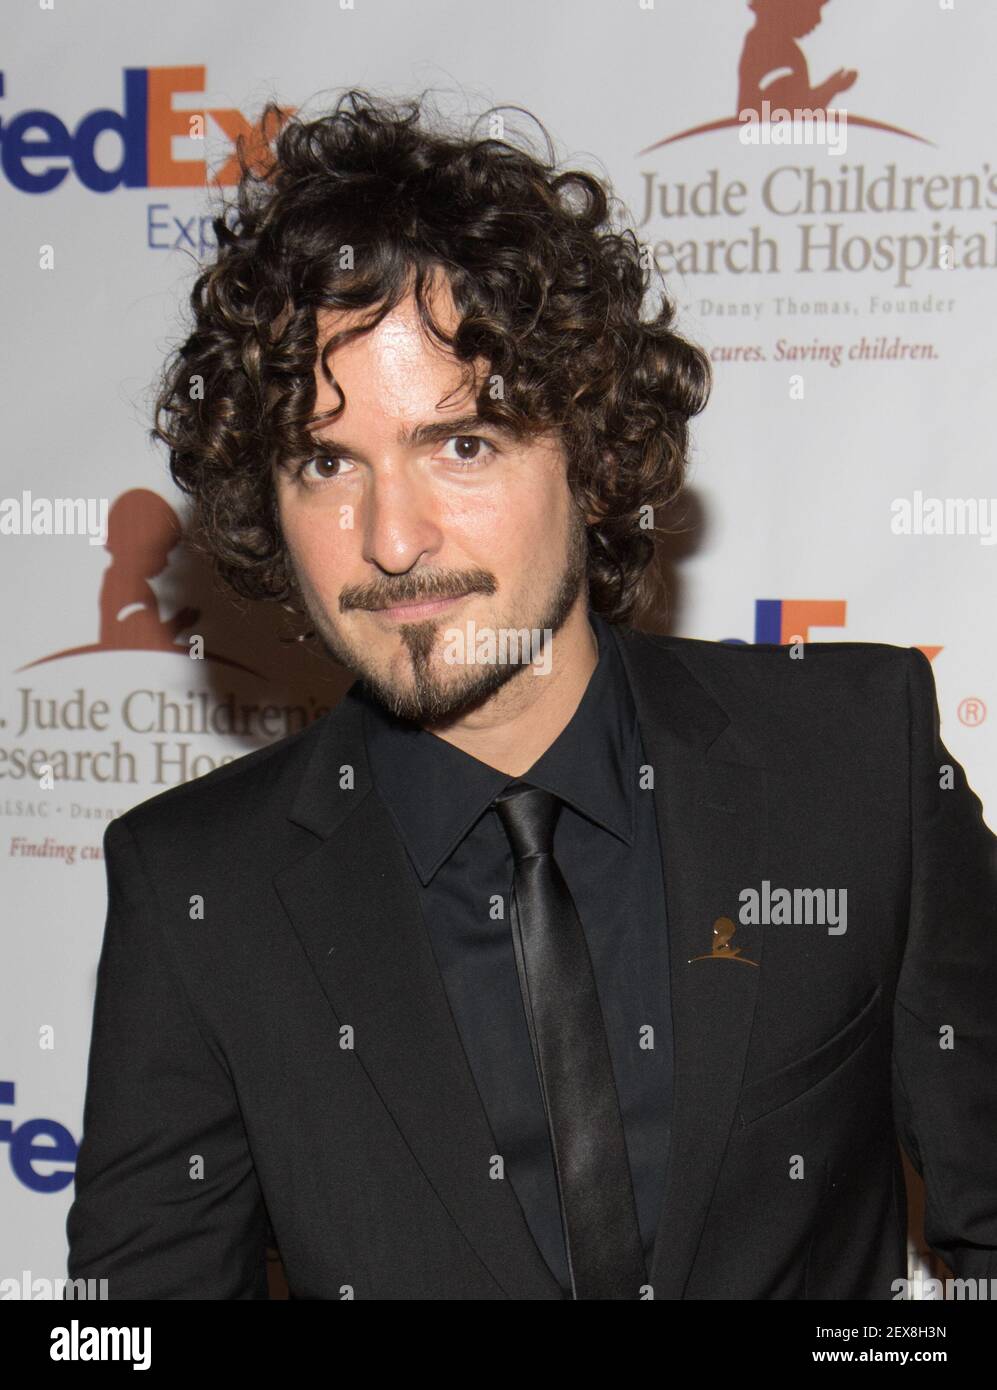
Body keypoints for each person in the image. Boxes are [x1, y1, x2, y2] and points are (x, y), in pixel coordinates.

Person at [65, 88, 997, 1300]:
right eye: (326, 461)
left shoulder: (854, 758)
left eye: (461, 444)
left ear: (593, 449)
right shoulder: (197, 890)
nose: (392, 539)